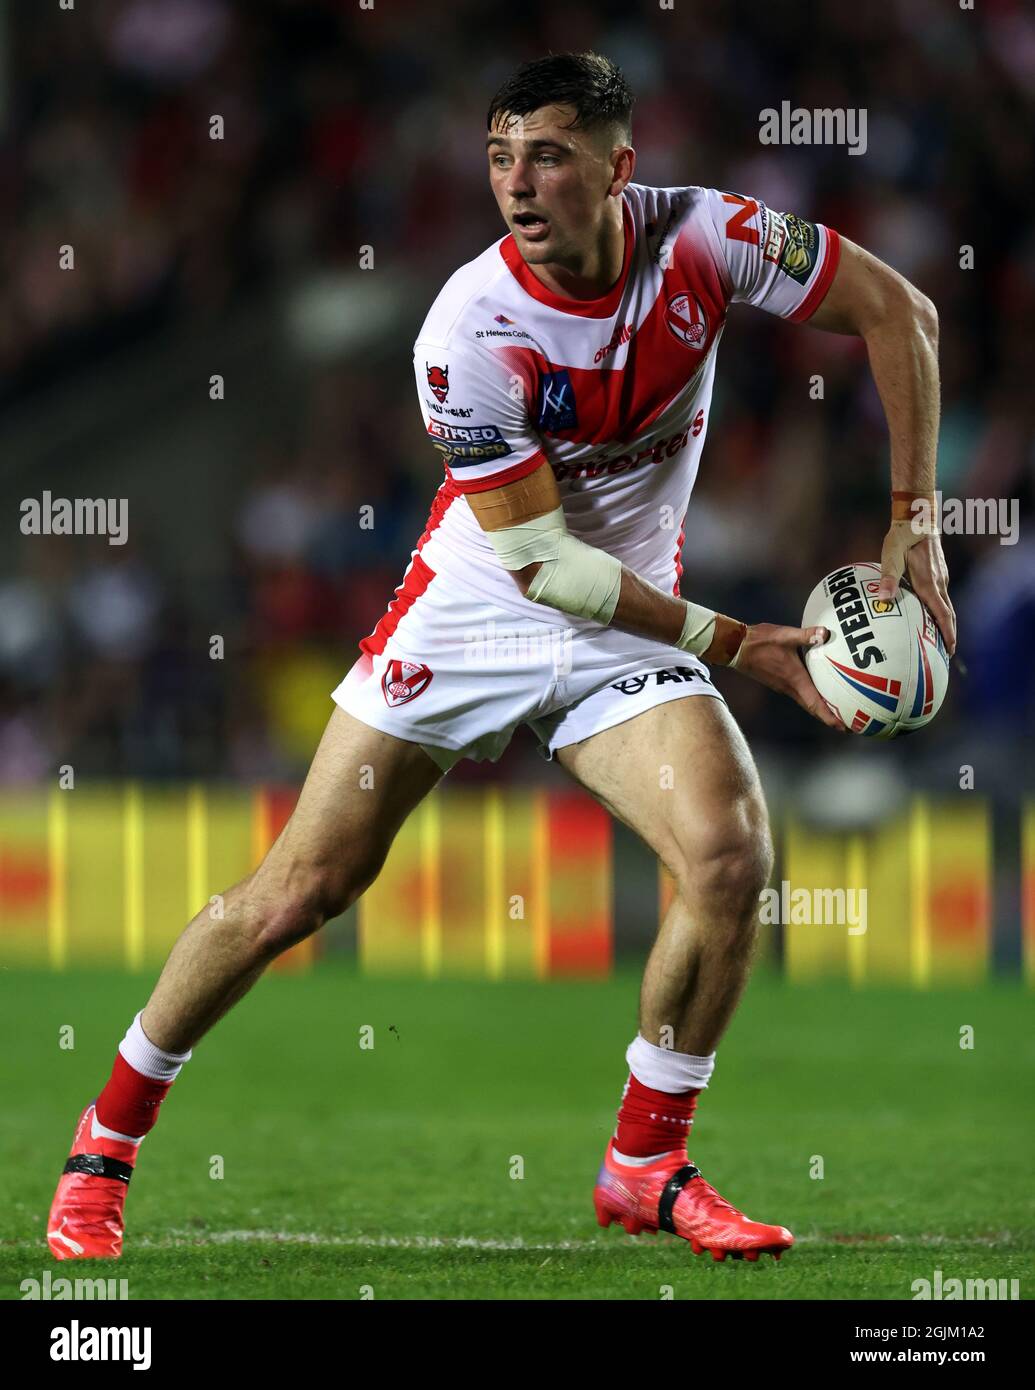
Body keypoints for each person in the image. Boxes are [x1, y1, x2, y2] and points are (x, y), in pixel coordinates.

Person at [48, 52, 955, 1263]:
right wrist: (742, 645)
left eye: (549, 156)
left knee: (731, 855)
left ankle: (646, 1164)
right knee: (300, 892)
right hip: (481, 604)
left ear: (619, 168)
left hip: (620, 627)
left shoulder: (711, 238)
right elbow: (543, 568)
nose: (518, 184)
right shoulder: (469, 328)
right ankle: (103, 1144)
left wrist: (915, 519)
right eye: (499, 157)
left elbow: (905, 313)